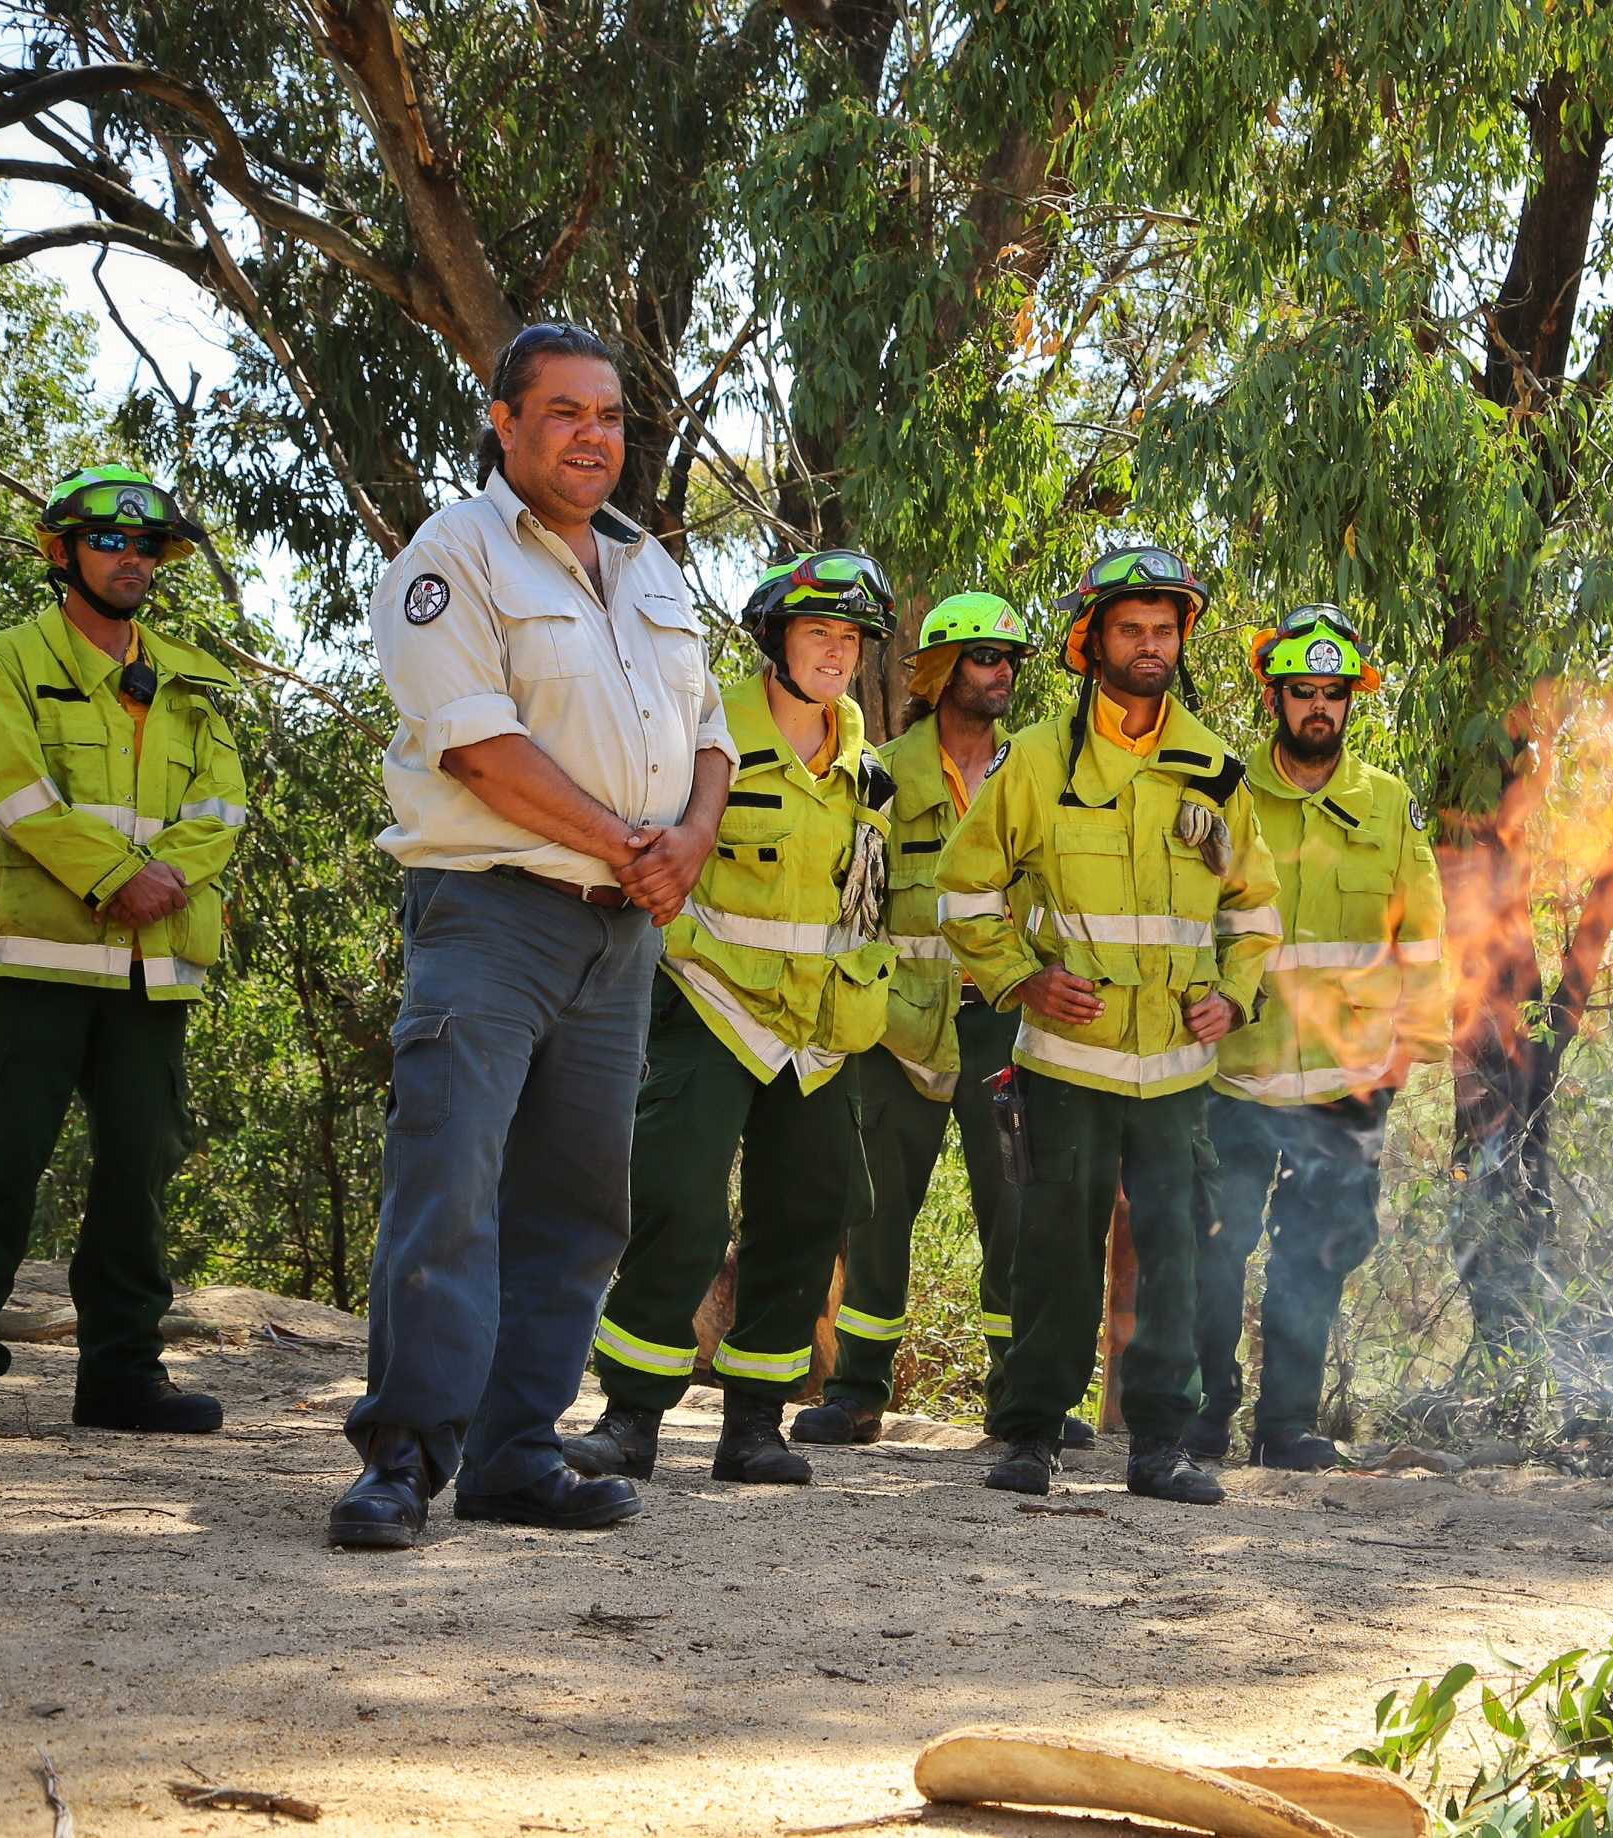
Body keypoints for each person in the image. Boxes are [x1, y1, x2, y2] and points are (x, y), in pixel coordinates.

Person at [329, 322, 733, 1550]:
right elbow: (476, 743)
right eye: (562, 412)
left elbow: (713, 732)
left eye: (608, 416)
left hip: (625, 935)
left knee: (579, 1201)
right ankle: (404, 1452)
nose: (591, 436)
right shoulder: (450, 556)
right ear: (504, 422)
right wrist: (630, 839)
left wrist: (694, 839)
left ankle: (514, 1453)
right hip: (493, 912)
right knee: (450, 1175)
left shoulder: (648, 566)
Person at [935, 545, 1280, 1503]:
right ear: (1092, 642)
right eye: (1130, 629)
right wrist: (1019, 981)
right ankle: (1030, 1438)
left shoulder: (1213, 769)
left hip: (1175, 1073)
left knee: (1177, 1252)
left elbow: (1253, 909)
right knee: (1054, 1249)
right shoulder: (1039, 760)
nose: (1149, 646)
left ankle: (1161, 1445)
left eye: (1165, 631)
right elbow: (964, 890)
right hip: (1067, 1062)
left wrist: (1236, 996)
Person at [562, 553, 901, 1486]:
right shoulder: (707, 744)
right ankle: (631, 1417)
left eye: (850, 638)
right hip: (709, 1010)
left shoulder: (870, 778)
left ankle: (755, 1425)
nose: (837, 653)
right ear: (775, 642)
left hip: (821, 1039)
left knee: (803, 1220)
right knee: (677, 1206)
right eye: (818, 633)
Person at [0, 465, 247, 1435]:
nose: (131, 559)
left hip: (156, 967)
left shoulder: (192, 677)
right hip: (41, 958)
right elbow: (10, 788)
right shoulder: (12, 660)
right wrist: (117, 876)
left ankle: (121, 1374)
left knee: (138, 1169)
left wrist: (168, 879)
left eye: (147, 546)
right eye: (109, 541)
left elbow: (222, 807)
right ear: (63, 552)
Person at [790, 592, 1096, 1450]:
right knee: (876, 1213)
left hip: (1004, 1027)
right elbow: (850, 908)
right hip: (895, 1031)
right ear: (938, 670)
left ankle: (1021, 1398)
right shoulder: (883, 775)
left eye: (1009, 660)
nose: (1001, 673)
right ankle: (856, 1391)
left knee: (1019, 1211)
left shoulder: (1036, 776)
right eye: (983, 657)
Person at [1188, 607, 1447, 1469]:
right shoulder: (1224, 791)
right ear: (1276, 695)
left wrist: (1407, 1052)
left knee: (1318, 1254)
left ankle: (1287, 1425)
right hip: (1236, 1074)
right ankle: (1205, 1414)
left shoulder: (1389, 805)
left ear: (1351, 702)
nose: (1319, 710)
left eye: (1334, 695)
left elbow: (1424, 938)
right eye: (1303, 693)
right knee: (1214, 1248)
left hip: (1348, 1079)